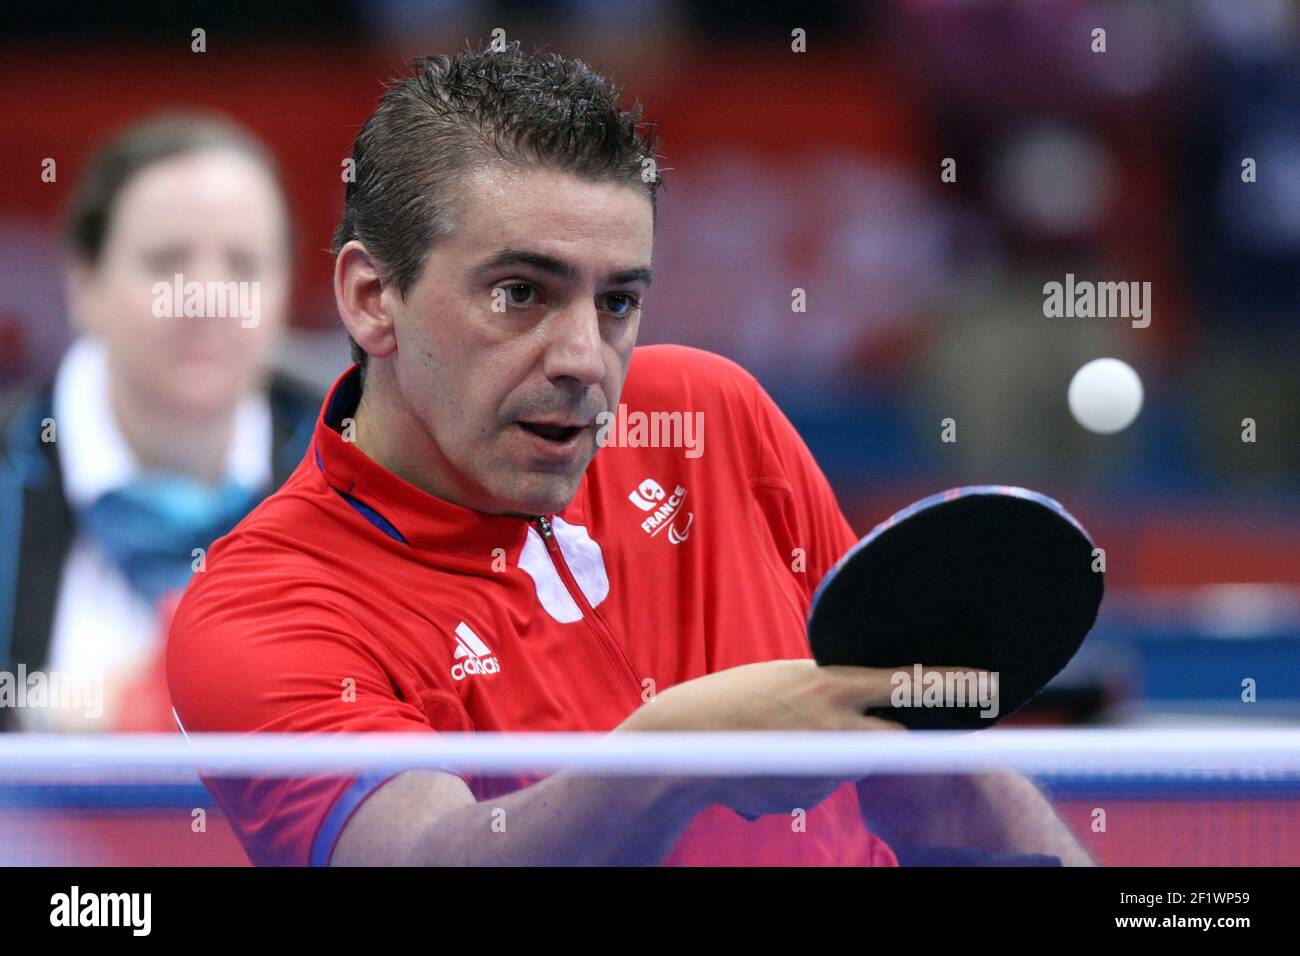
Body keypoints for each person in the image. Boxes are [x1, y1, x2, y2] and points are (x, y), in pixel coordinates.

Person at [167, 45, 1092, 866]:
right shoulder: (263, 612)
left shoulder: (709, 413)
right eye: (521, 292)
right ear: (374, 298)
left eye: (617, 302)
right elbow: (424, 853)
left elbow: (920, 761)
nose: (583, 361)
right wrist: (672, 756)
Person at [0, 114, 319, 732]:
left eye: (244, 266)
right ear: (84, 284)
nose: (205, 299)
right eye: (165, 262)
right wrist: (66, 717)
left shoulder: (354, 474)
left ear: (285, 294)